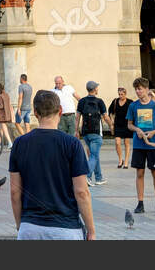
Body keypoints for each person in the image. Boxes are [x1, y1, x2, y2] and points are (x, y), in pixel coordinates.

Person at [8, 89, 94, 240]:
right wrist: (91, 230)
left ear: (35, 112)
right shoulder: (72, 144)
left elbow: (15, 193)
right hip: (66, 228)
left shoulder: (19, 144)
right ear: (60, 110)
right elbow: (81, 192)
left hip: (30, 226)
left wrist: (20, 225)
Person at [127, 77, 155, 213]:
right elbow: (129, 124)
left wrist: (154, 132)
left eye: (140, 89)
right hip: (138, 145)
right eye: (136, 89)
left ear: (147, 89)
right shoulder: (133, 106)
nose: (137, 91)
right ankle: (140, 203)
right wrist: (137, 130)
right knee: (140, 173)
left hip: (152, 144)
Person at [76, 82, 107, 186]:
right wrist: (111, 125)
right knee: (93, 155)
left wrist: (77, 131)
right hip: (96, 132)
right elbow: (105, 117)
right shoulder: (99, 101)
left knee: (94, 154)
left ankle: (99, 178)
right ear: (95, 89)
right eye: (97, 87)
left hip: (85, 132)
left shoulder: (82, 101)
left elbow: (77, 117)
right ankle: (87, 177)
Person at [108, 86, 131, 168]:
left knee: (126, 143)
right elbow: (110, 111)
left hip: (127, 124)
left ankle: (126, 162)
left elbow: (134, 112)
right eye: (119, 94)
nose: (120, 96)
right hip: (117, 124)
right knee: (117, 143)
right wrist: (111, 121)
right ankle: (120, 159)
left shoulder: (130, 102)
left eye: (122, 94)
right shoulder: (115, 101)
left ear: (125, 94)